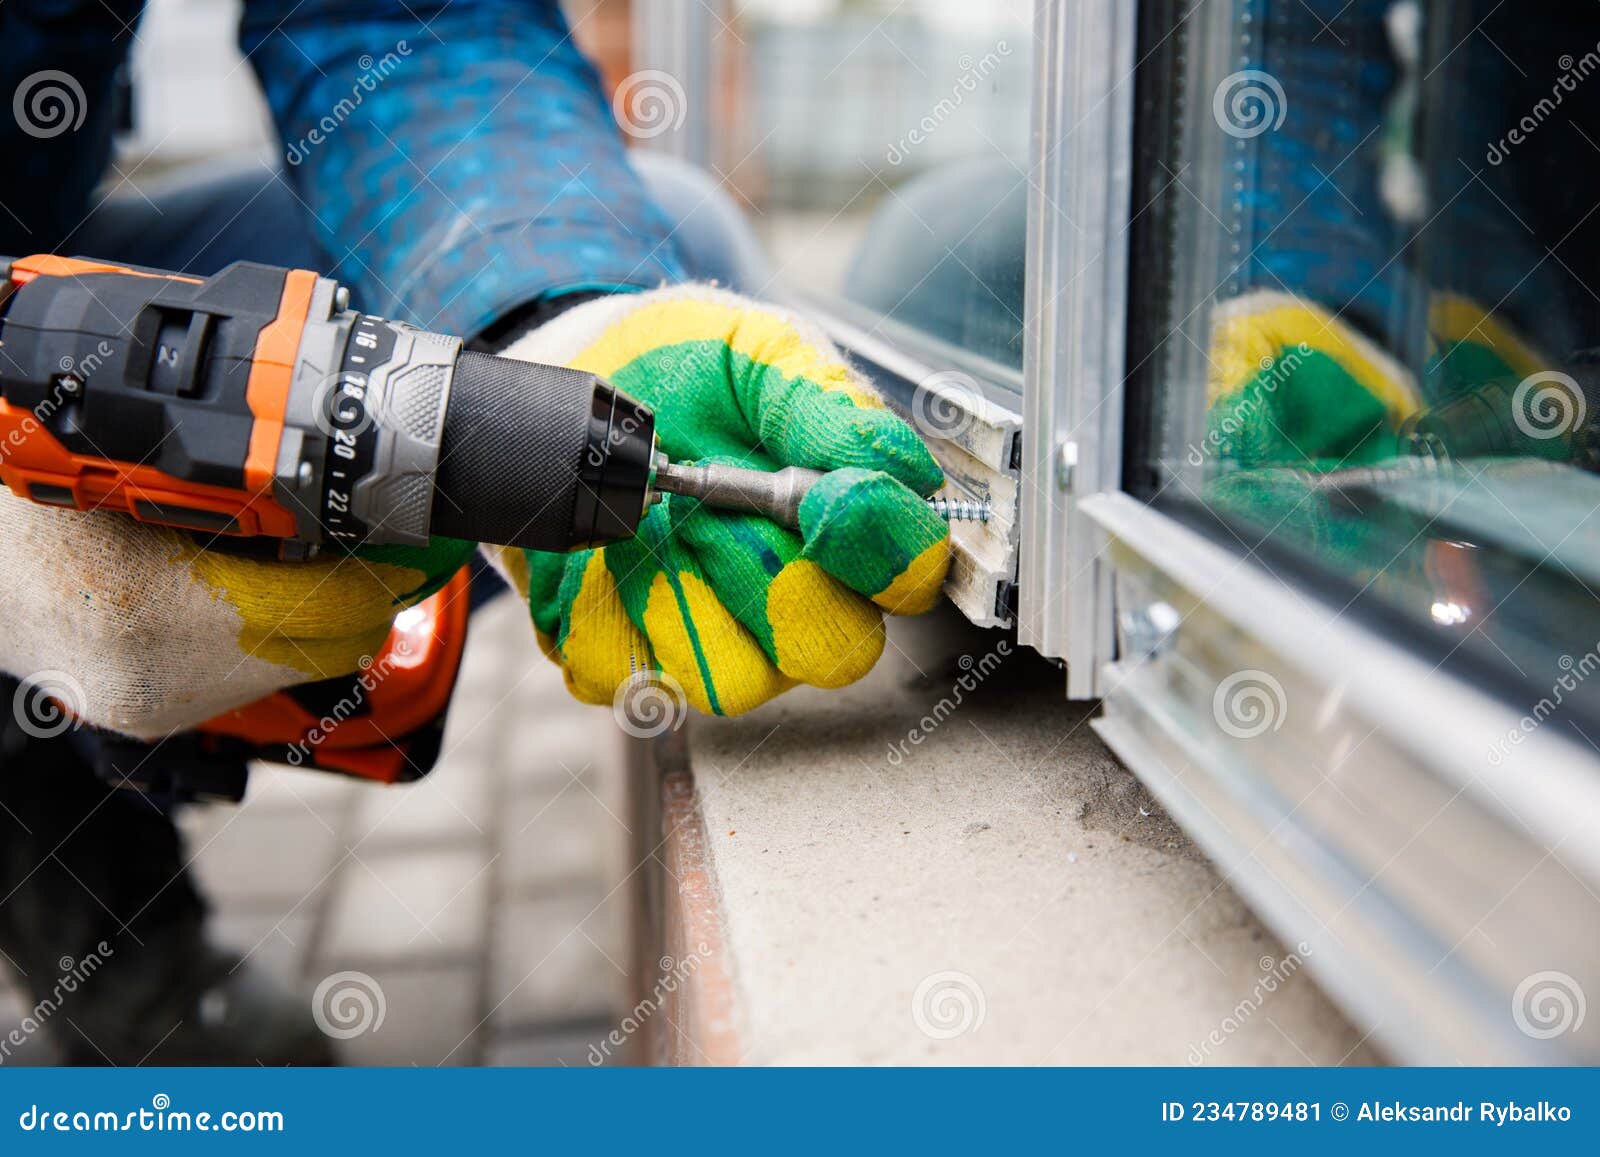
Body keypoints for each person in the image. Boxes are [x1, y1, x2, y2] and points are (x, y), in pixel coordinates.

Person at [0, 0, 951, 1063]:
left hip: (30, 277)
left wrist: (542, 321)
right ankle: (113, 957)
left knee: (673, 234)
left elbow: (403, 22)